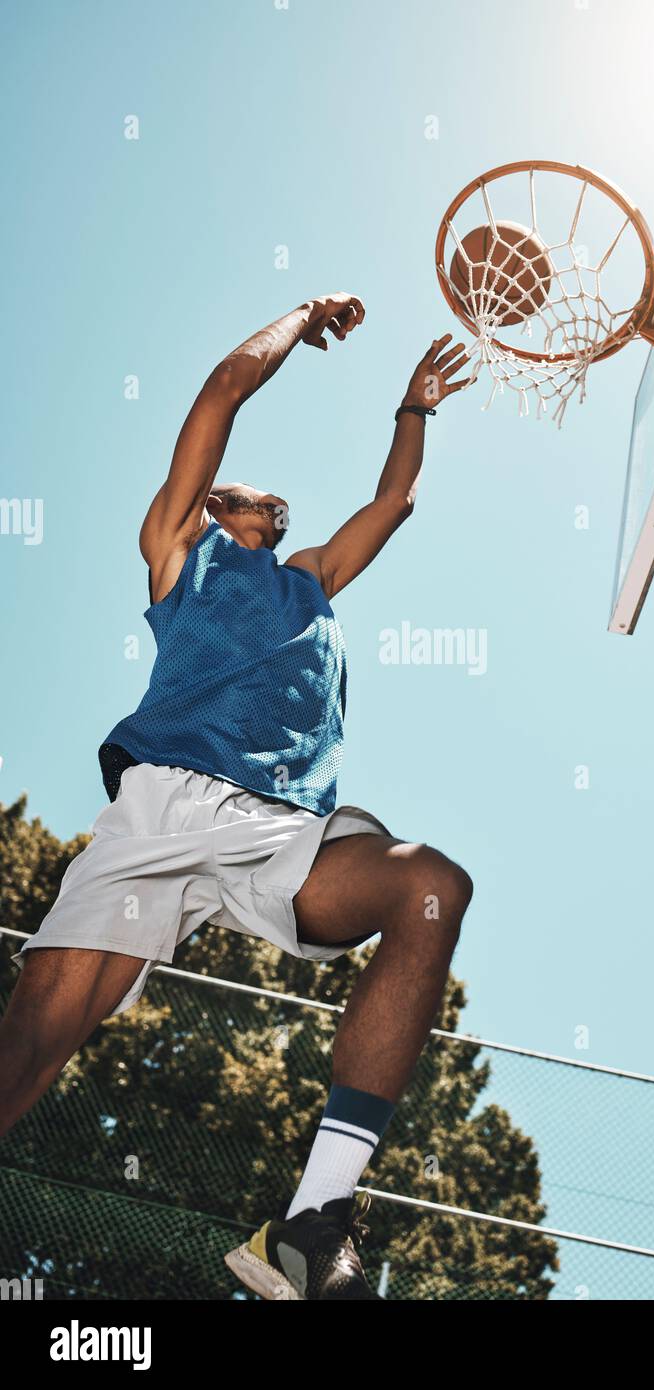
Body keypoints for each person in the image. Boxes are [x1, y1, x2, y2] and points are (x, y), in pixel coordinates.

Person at [0, 294, 475, 1300]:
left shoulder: (310, 582)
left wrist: (413, 409)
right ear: (217, 502)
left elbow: (393, 505)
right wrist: (300, 318)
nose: (277, 502)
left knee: (431, 886)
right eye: (254, 492)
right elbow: (223, 389)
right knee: (31, 1050)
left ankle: (310, 1222)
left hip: (281, 833)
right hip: (165, 806)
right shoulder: (180, 549)